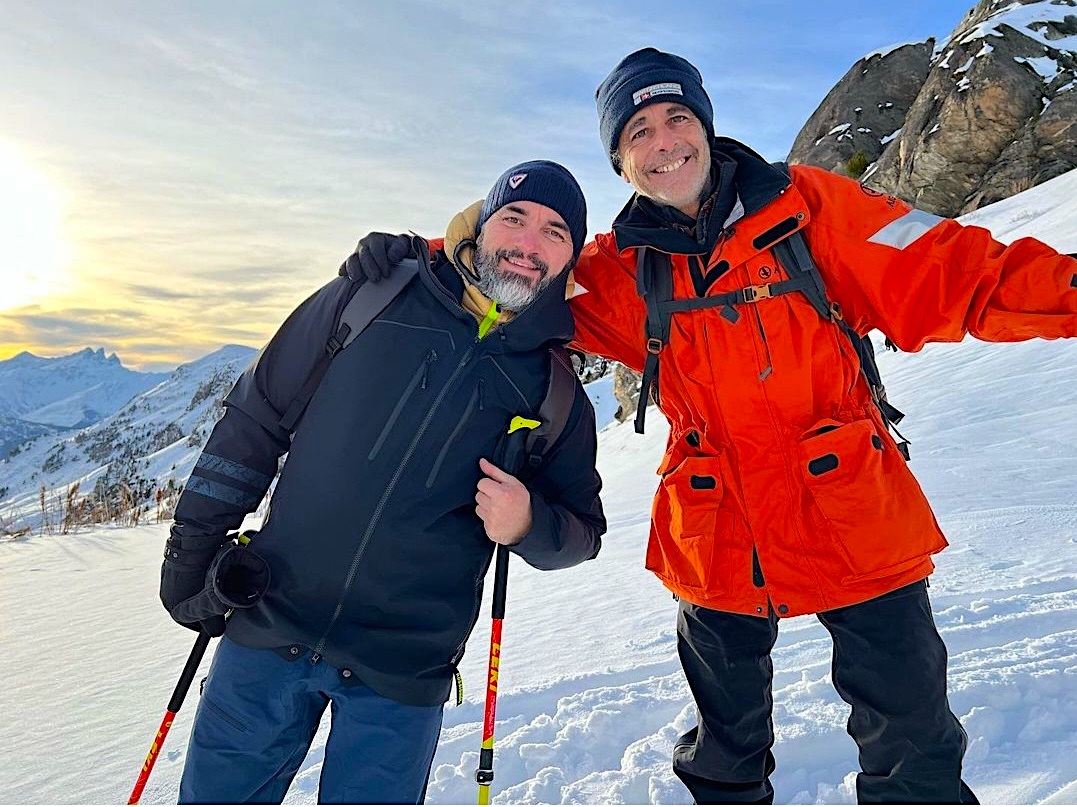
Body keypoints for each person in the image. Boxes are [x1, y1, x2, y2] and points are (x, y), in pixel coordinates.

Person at [351, 49, 1077, 804]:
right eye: (638, 131)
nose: (664, 142)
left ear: (703, 125)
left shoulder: (811, 210)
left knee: (910, 738)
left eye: (676, 119)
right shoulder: (618, 270)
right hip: (716, 525)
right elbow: (515, 270)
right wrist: (418, 260)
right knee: (723, 752)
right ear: (620, 161)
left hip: (852, 511)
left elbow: (956, 271)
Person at [159, 159, 606, 805]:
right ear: (479, 226)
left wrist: (530, 522)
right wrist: (192, 548)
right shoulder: (370, 295)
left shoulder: (554, 387)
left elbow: (582, 534)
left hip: (401, 670)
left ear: (570, 257)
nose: (528, 243)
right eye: (514, 217)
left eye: (554, 232)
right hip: (269, 619)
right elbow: (253, 423)